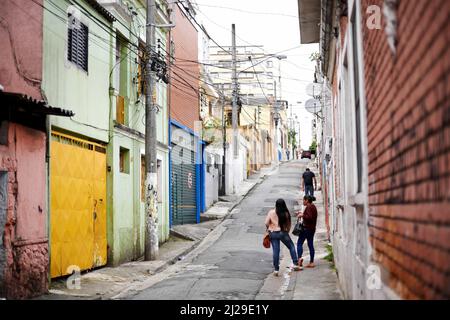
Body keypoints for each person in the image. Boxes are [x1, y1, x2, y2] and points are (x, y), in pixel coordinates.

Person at [265, 199, 301, 276]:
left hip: (273, 233)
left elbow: (266, 223)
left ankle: (276, 270)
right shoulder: (286, 213)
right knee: (291, 246)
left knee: (276, 251)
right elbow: (288, 224)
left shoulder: (271, 212)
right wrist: (286, 232)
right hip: (283, 232)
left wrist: (269, 228)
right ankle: (295, 263)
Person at [296, 195, 318, 269]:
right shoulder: (313, 206)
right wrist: (303, 214)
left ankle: (299, 259)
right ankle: (311, 262)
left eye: (303, 200)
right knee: (310, 244)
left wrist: (302, 215)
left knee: (299, 243)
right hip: (312, 229)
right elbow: (309, 216)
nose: (303, 202)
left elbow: (309, 217)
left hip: (306, 229)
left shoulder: (309, 207)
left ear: (307, 200)